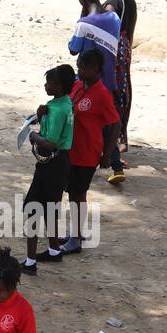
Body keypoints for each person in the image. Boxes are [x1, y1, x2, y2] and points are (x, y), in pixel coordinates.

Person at [62, 49, 119, 255]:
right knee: (74, 193)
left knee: (78, 194)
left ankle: (75, 238)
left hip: (87, 153)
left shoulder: (102, 94)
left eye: (83, 67)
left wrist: (107, 154)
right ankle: (75, 232)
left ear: (95, 69)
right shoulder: (77, 86)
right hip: (71, 150)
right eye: (78, 66)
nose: (79, 70)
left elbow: (114, 124)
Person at [23, 64, 76, 273]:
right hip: (61, 163)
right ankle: (54, 250)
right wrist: (42, 114)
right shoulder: (64, 104)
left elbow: (51, 142)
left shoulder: (58, 109)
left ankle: (30, 262)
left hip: (51, 164)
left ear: (60, 86)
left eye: (50, 82)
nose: (46, 85)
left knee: (34, 209)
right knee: (51, 208)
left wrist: (33, 135)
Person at [102, 0, 136, 183]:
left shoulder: (113, 4)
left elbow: (105, 22)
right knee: (121, 96)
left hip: (111, 52)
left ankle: (109, 150)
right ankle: (119, 141)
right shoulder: (130, 1)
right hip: (124, 53)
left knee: (107, 99)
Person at [68, 0, 121, 102]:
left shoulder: (84, 24)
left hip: (90, 83)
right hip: (110, 81)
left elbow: (73, 50)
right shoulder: (114, 18)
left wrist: (82, 18)